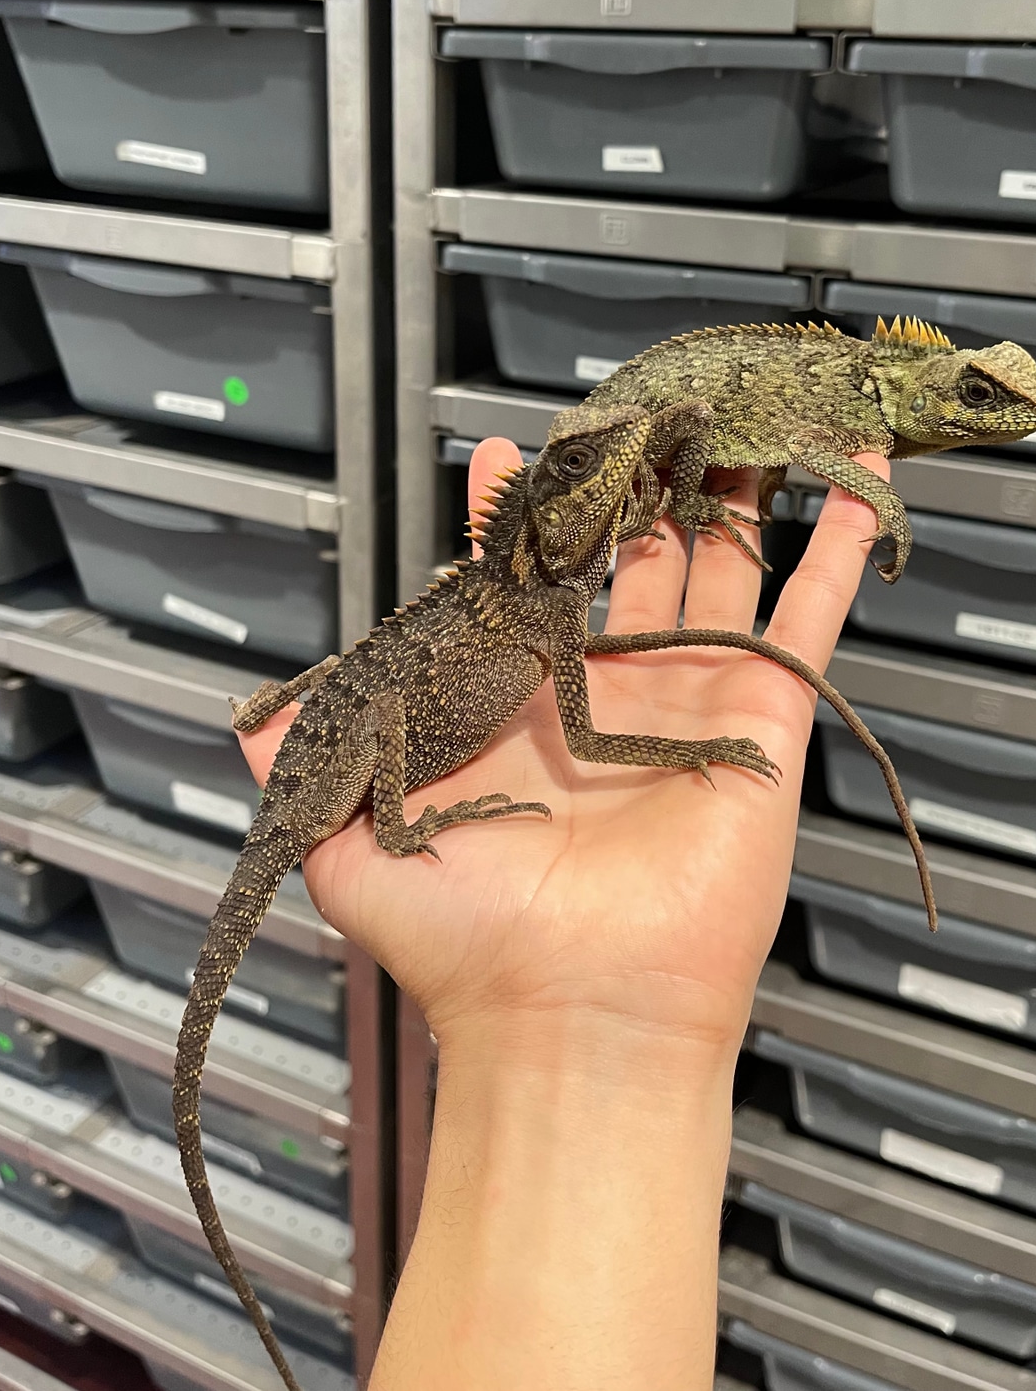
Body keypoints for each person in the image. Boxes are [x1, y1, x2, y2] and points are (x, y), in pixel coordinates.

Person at [236, 436, 888, 1390]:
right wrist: (682, 755)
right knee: (366, 693)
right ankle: (402, 824)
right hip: (352, 767)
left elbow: (571, 724)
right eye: (582, 478)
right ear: (544, 519)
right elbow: (579, 739)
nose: (614, 479)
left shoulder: (546, 613)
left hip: (367, 745)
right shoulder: (530, 612)